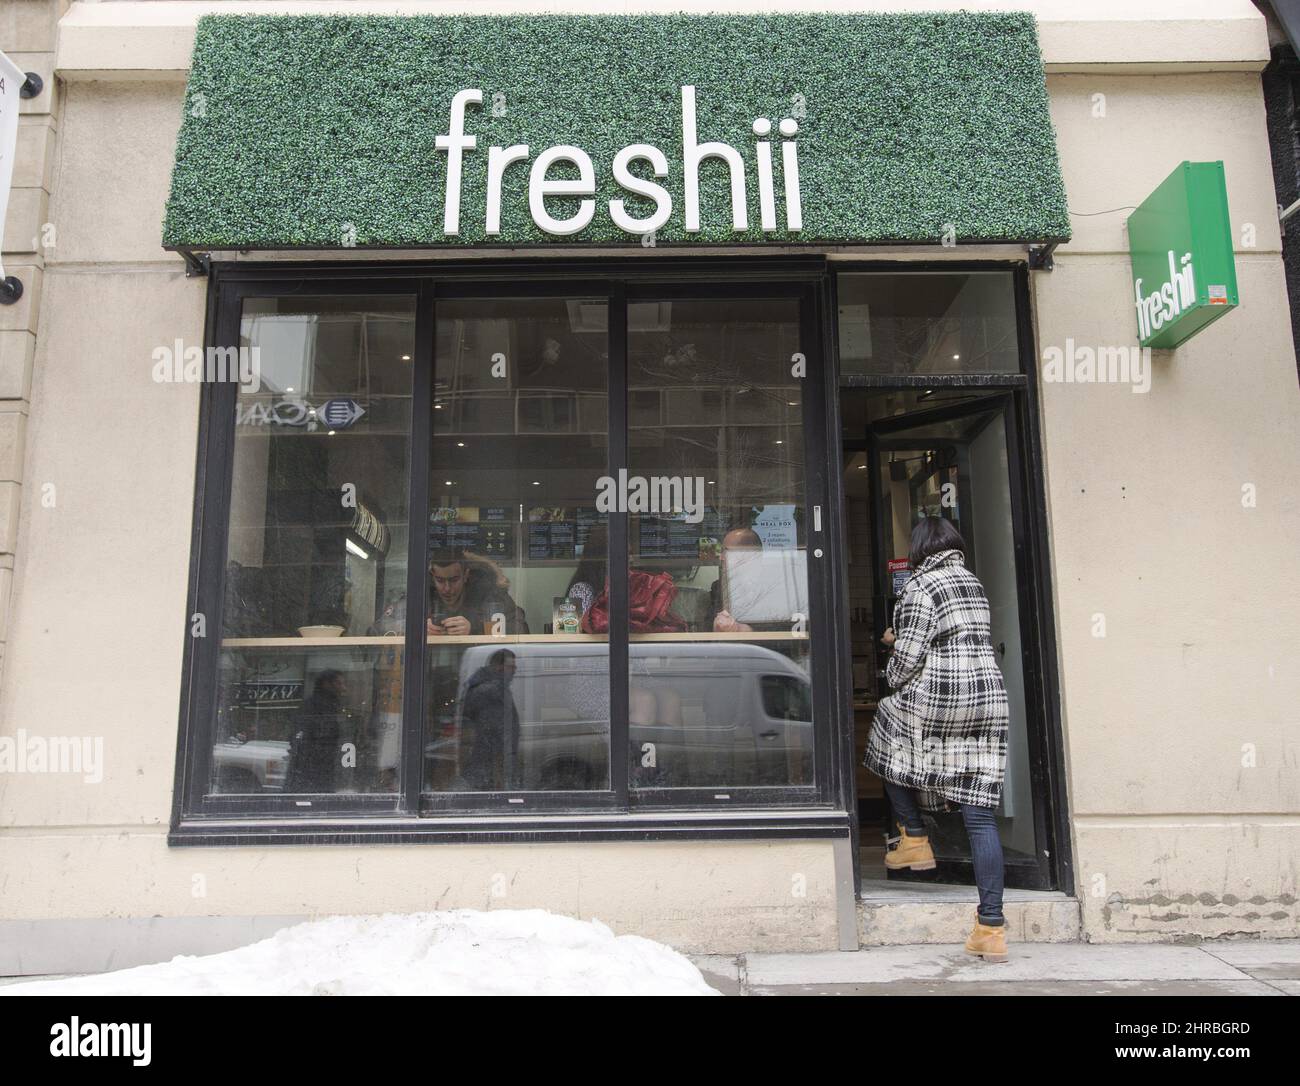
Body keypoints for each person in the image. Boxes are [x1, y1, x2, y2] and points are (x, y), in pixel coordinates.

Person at [863, 517, 1011, 962]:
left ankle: (914, 836)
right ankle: (990, 926)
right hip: (987, 700)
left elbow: (909, 657)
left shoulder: (919, 587)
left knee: (884, 733)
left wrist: (890, 656)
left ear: (920, 549)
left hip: (942, 696)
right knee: (979, 817)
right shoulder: (972, 582)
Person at [427, 548, 528, 636]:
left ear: (466, 575)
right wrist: (421, 628)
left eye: (454, 580)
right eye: (440, 580)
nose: (447, 588)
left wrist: (474, 629)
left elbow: (519, 630)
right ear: (432, 577)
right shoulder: (423, 594)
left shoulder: (491, 593)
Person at [458, 649, 520, 790]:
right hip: (490, 760)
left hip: (491, 759)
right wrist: (502, 757)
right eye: (511, 667)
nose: (514, 671)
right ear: (498, 667)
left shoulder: (494, 687)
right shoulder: (491, 690)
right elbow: (494, 729)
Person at [284, 670, 349, 793]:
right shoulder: (319, 707)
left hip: (316, 767)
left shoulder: (330, 706)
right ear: (327, 684)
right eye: (339, 683)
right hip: (313, 768)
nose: (343, 688)